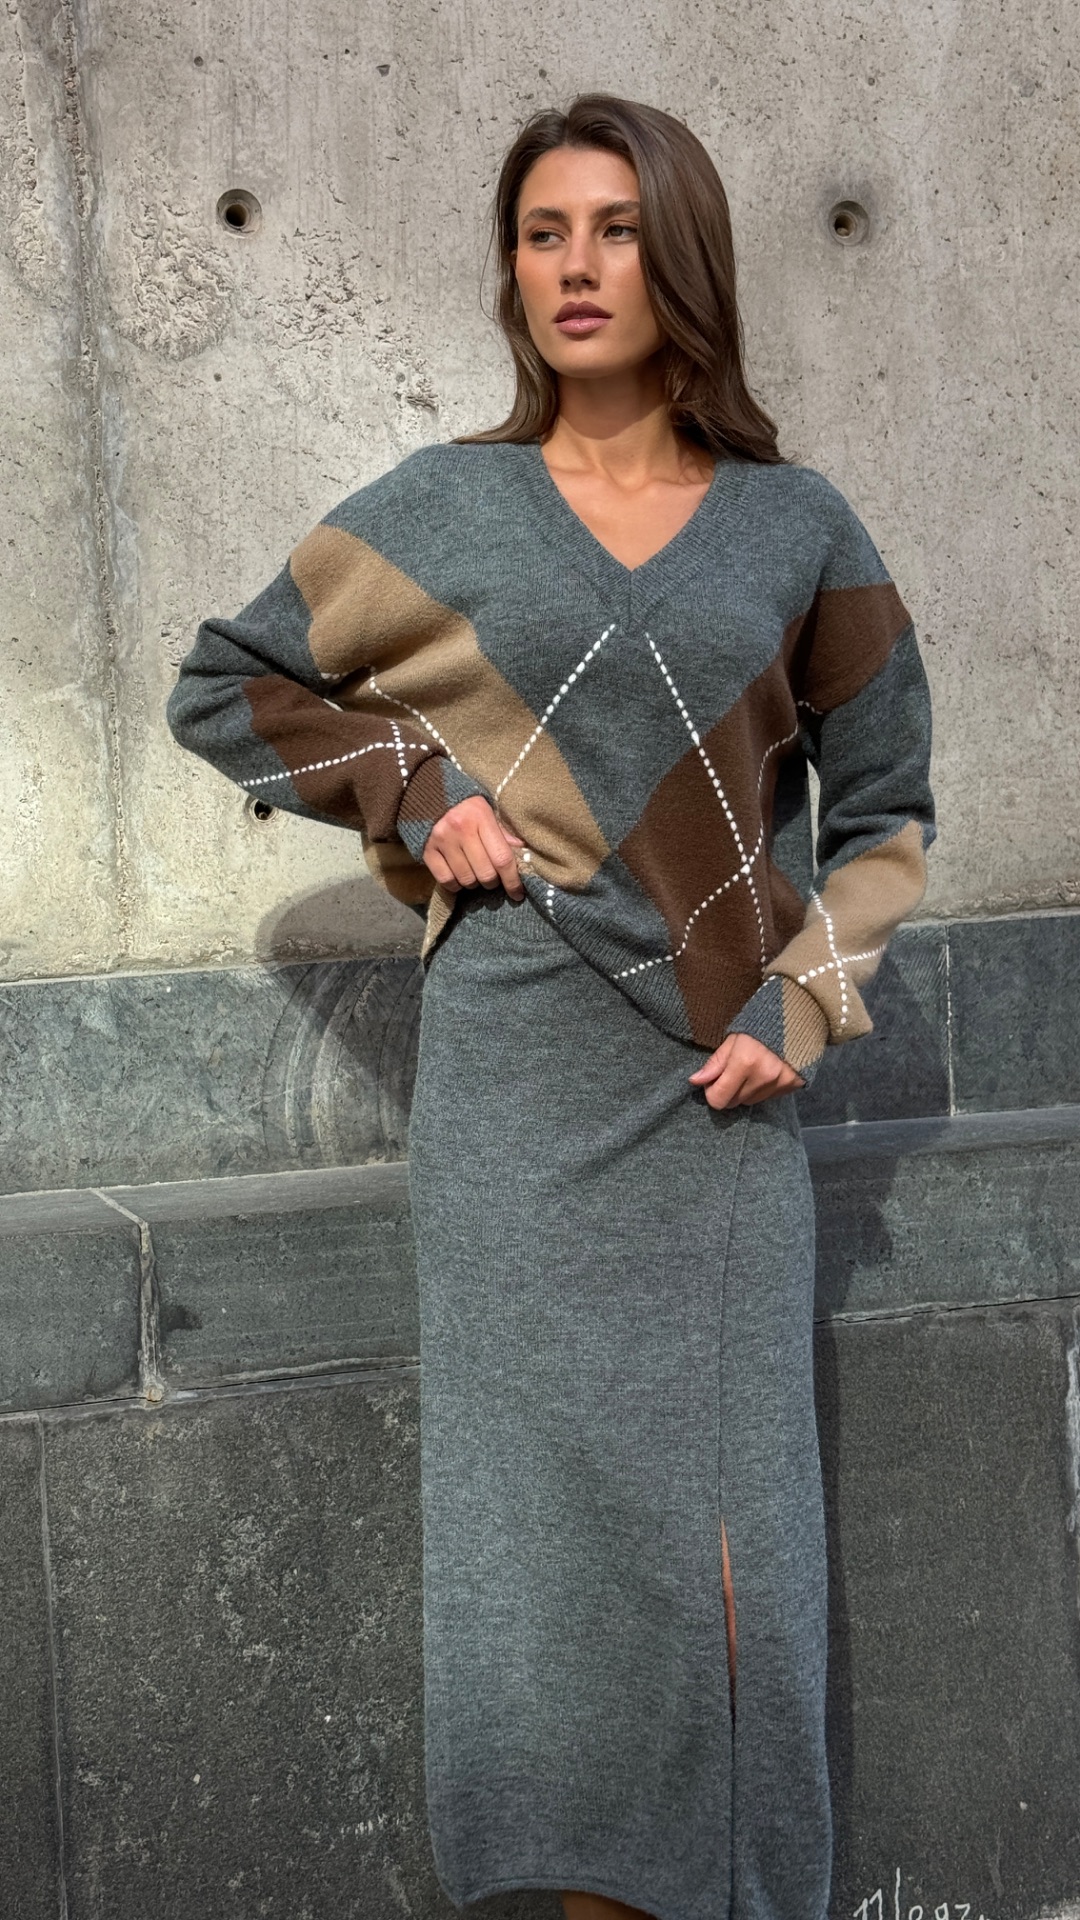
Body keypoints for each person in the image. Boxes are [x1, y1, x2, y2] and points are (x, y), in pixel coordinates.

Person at [166, 92, 935, 1920]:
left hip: (715, 1107)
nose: (575, 268)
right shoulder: (444, 506)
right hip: (514, 1097)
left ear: (684, 259)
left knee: (731, 1582)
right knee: (540, 1571)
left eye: (614, 229)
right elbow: (226, 686)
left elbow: (889, 818)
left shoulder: (798, 529)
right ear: (512, 271)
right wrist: (415, 790)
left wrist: (805, 1010)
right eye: (541, 233)